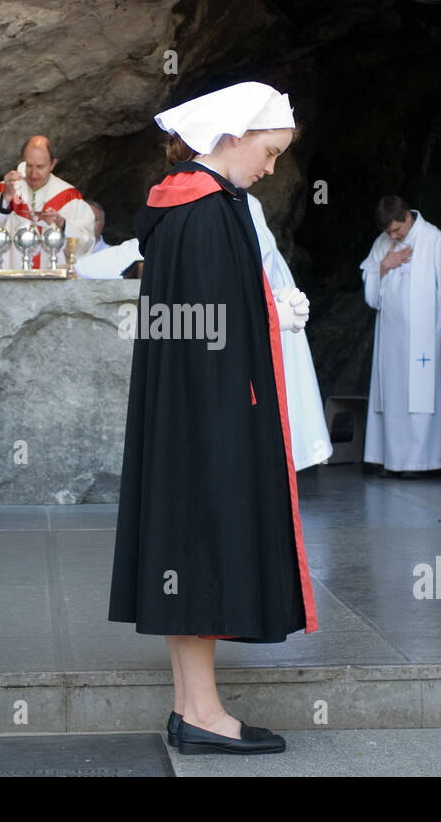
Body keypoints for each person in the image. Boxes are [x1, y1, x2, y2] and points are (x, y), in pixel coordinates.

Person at [109, 81, 316, 756]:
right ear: (233, 134)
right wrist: (267, 316)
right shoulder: (208, 208)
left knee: (184, 546)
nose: (272, 166)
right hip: (209, 411)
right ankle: (200, 711)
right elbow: (209, 327)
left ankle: (191, 705)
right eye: (270, 150)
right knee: (197, 547)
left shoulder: (188, 200)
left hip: (188, 408)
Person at [360, 194, 441, 476]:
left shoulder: (433, 239)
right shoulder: (384, 243)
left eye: (397, 230)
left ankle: (423, 462)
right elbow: (371, 287)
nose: (393, 236)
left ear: (407, 217)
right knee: (393, 396)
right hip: (391, 339)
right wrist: (384, 266)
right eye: (388, 232)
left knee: (422, 396)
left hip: (425, 337)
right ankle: (393, 460)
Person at [248, 192, 333, 470]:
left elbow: (262, 260)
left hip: (274, 308)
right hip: (269, 308)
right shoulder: (241, 206)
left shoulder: (246, 206)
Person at [0, 136, 96, 269]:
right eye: (29, 166)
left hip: (53, 281)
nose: (33, 174)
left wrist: (62, 224)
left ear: (53, 164)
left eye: (40, 167)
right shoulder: (2, 190)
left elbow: (86, 242)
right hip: (10, 279)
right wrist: (6, 198)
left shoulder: (69, 197)